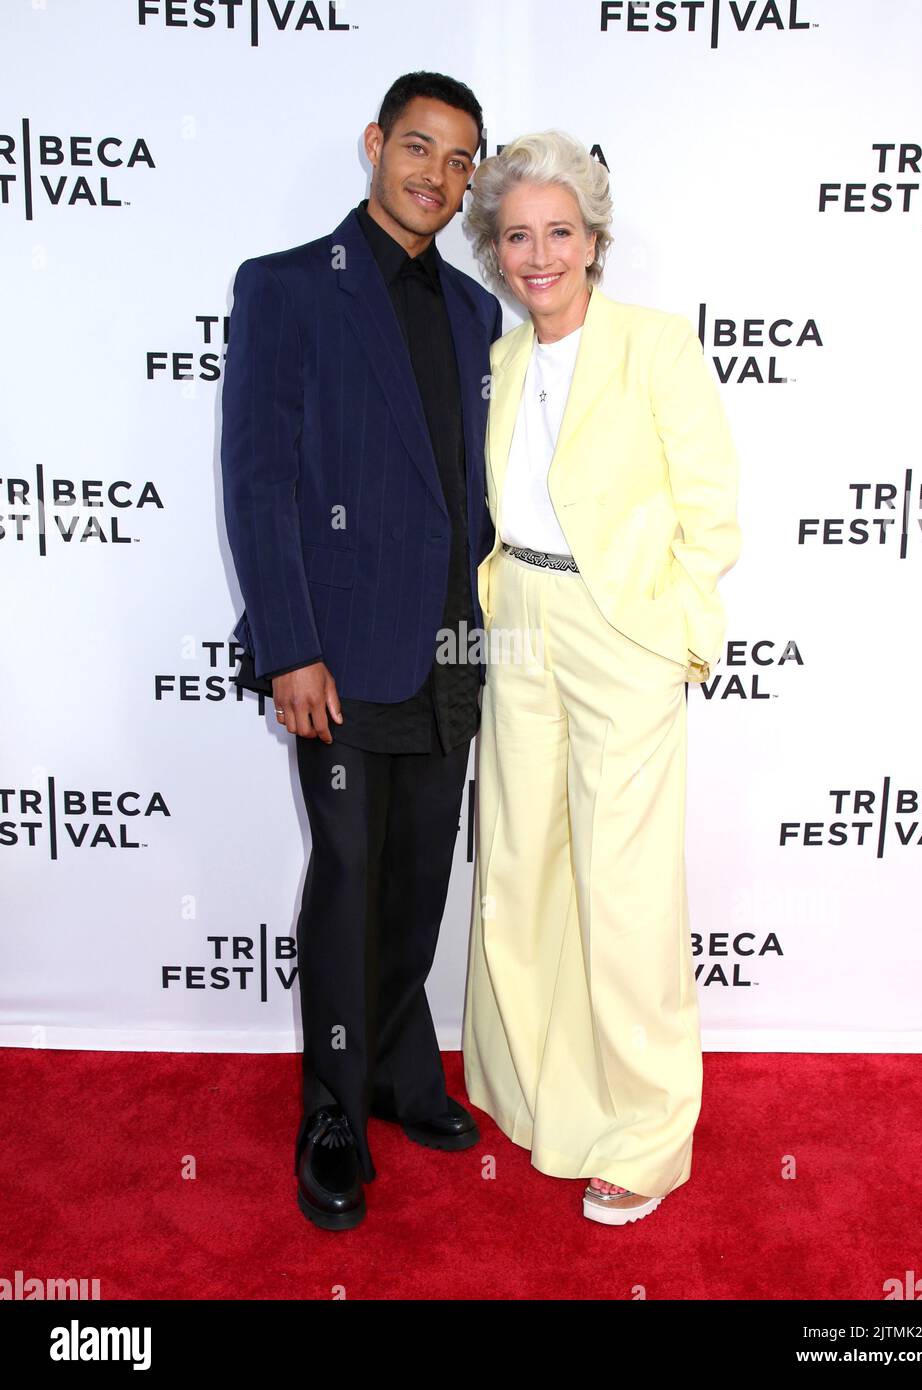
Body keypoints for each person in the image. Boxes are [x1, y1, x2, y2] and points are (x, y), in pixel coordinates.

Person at [220, 71, 502, 1231]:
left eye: (459, 160)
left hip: (450, 647)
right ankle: (330, 1111)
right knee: (345, 883)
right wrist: (290, 647)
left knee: (418, 880)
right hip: (335, 652)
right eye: (419, 148)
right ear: (376, 143)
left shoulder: (480, 312)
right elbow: (259, 478)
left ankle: (397, 1070)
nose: (437, 175)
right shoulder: (288, 288)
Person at [461, 130, 741, 1225]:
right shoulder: (505, 357)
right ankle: (543, 1091)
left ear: (595, 239)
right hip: (521, 612)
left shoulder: (656, 344)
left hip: (620, 625)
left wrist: (673, 629)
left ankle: (646, 1131)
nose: (539, 255)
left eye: (560, 233)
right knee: (524, 860)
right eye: (518, 235)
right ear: (496, 248)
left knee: (624, 889)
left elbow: (711, 508)